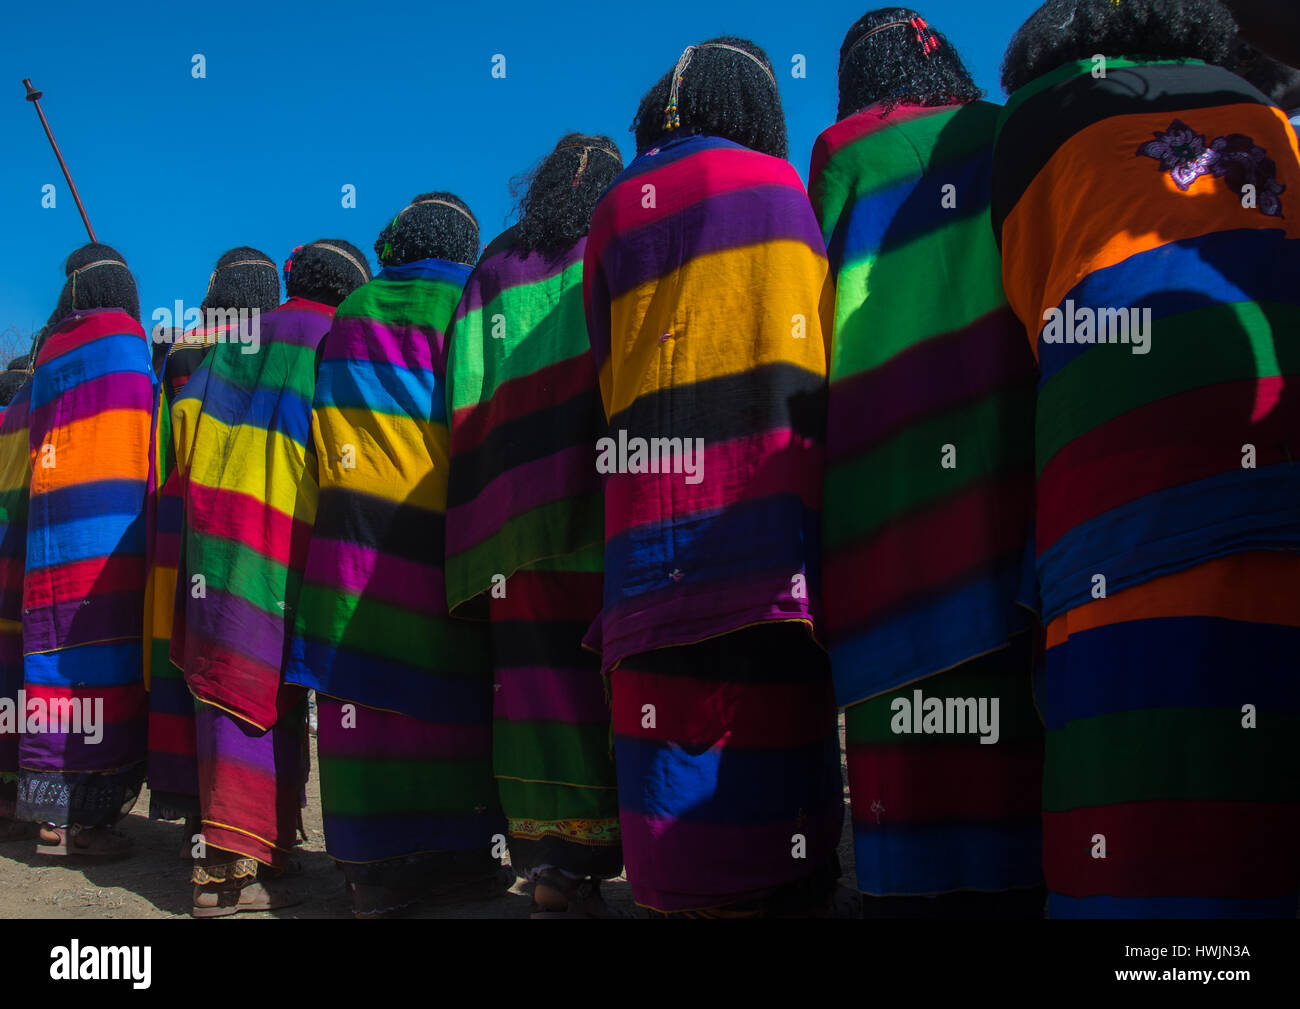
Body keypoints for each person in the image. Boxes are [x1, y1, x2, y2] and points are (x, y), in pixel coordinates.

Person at [996, 0, 1300, 917]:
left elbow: (1026, 300)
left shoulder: (1037, 119)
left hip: (1122, 452)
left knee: (1128, 735)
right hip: (1277, 413)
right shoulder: (1261, 103)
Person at [583, 37, 844, 917]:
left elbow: (604, 358)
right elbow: (819, 335)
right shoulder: (779, 188)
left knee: (666, 717)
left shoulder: (616, 206)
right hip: (763, 505)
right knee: (768, 712)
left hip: (648, 514)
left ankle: (674, 893)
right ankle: (780, 883)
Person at [809, 8, 1044, 917]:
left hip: (882, 461)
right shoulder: (1004, 132)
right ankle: (1014, 878)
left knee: (902, 686)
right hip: (1001, 440)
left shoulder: (844, 154)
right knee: (1004, 678)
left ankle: (909, 881)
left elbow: (818, 310)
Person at [286, 196, 510, 918]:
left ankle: (368, 878)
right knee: (451, 702)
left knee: (363, 710)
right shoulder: (467, 297)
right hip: (439, 538)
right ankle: (460, 858)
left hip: (352, 544)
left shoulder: (349, 313)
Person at [444, 136, 626, 917]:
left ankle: (554, 865)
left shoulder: (492, 267)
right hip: (595, 503)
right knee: (612, 689)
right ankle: (634, 850)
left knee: (534, 694)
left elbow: (460, 398)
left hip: (508, 526)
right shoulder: (614, 241)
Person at [171, 238, 369, 915]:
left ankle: (251, 852)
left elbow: (185, 423)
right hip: (290, 535)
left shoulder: (242, 336)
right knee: (273, 692)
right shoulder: (336, 337)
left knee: (232, 687)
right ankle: (230, 869)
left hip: (219, 539)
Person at [8, 244, 157, 857]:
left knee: (49, 662)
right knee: (103, 670)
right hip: (111, 541)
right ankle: (87, 826)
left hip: (49, 542)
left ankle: (47, 817)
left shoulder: (48, 357)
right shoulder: (129, 342)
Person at [145, 249, 281, 852]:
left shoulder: (183, 347)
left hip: (183, 515)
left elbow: (163, 452)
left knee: (191, 655)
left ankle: (199, 815)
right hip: (255, 517)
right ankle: (249, 825)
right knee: (247, 658)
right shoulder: (278, 341)